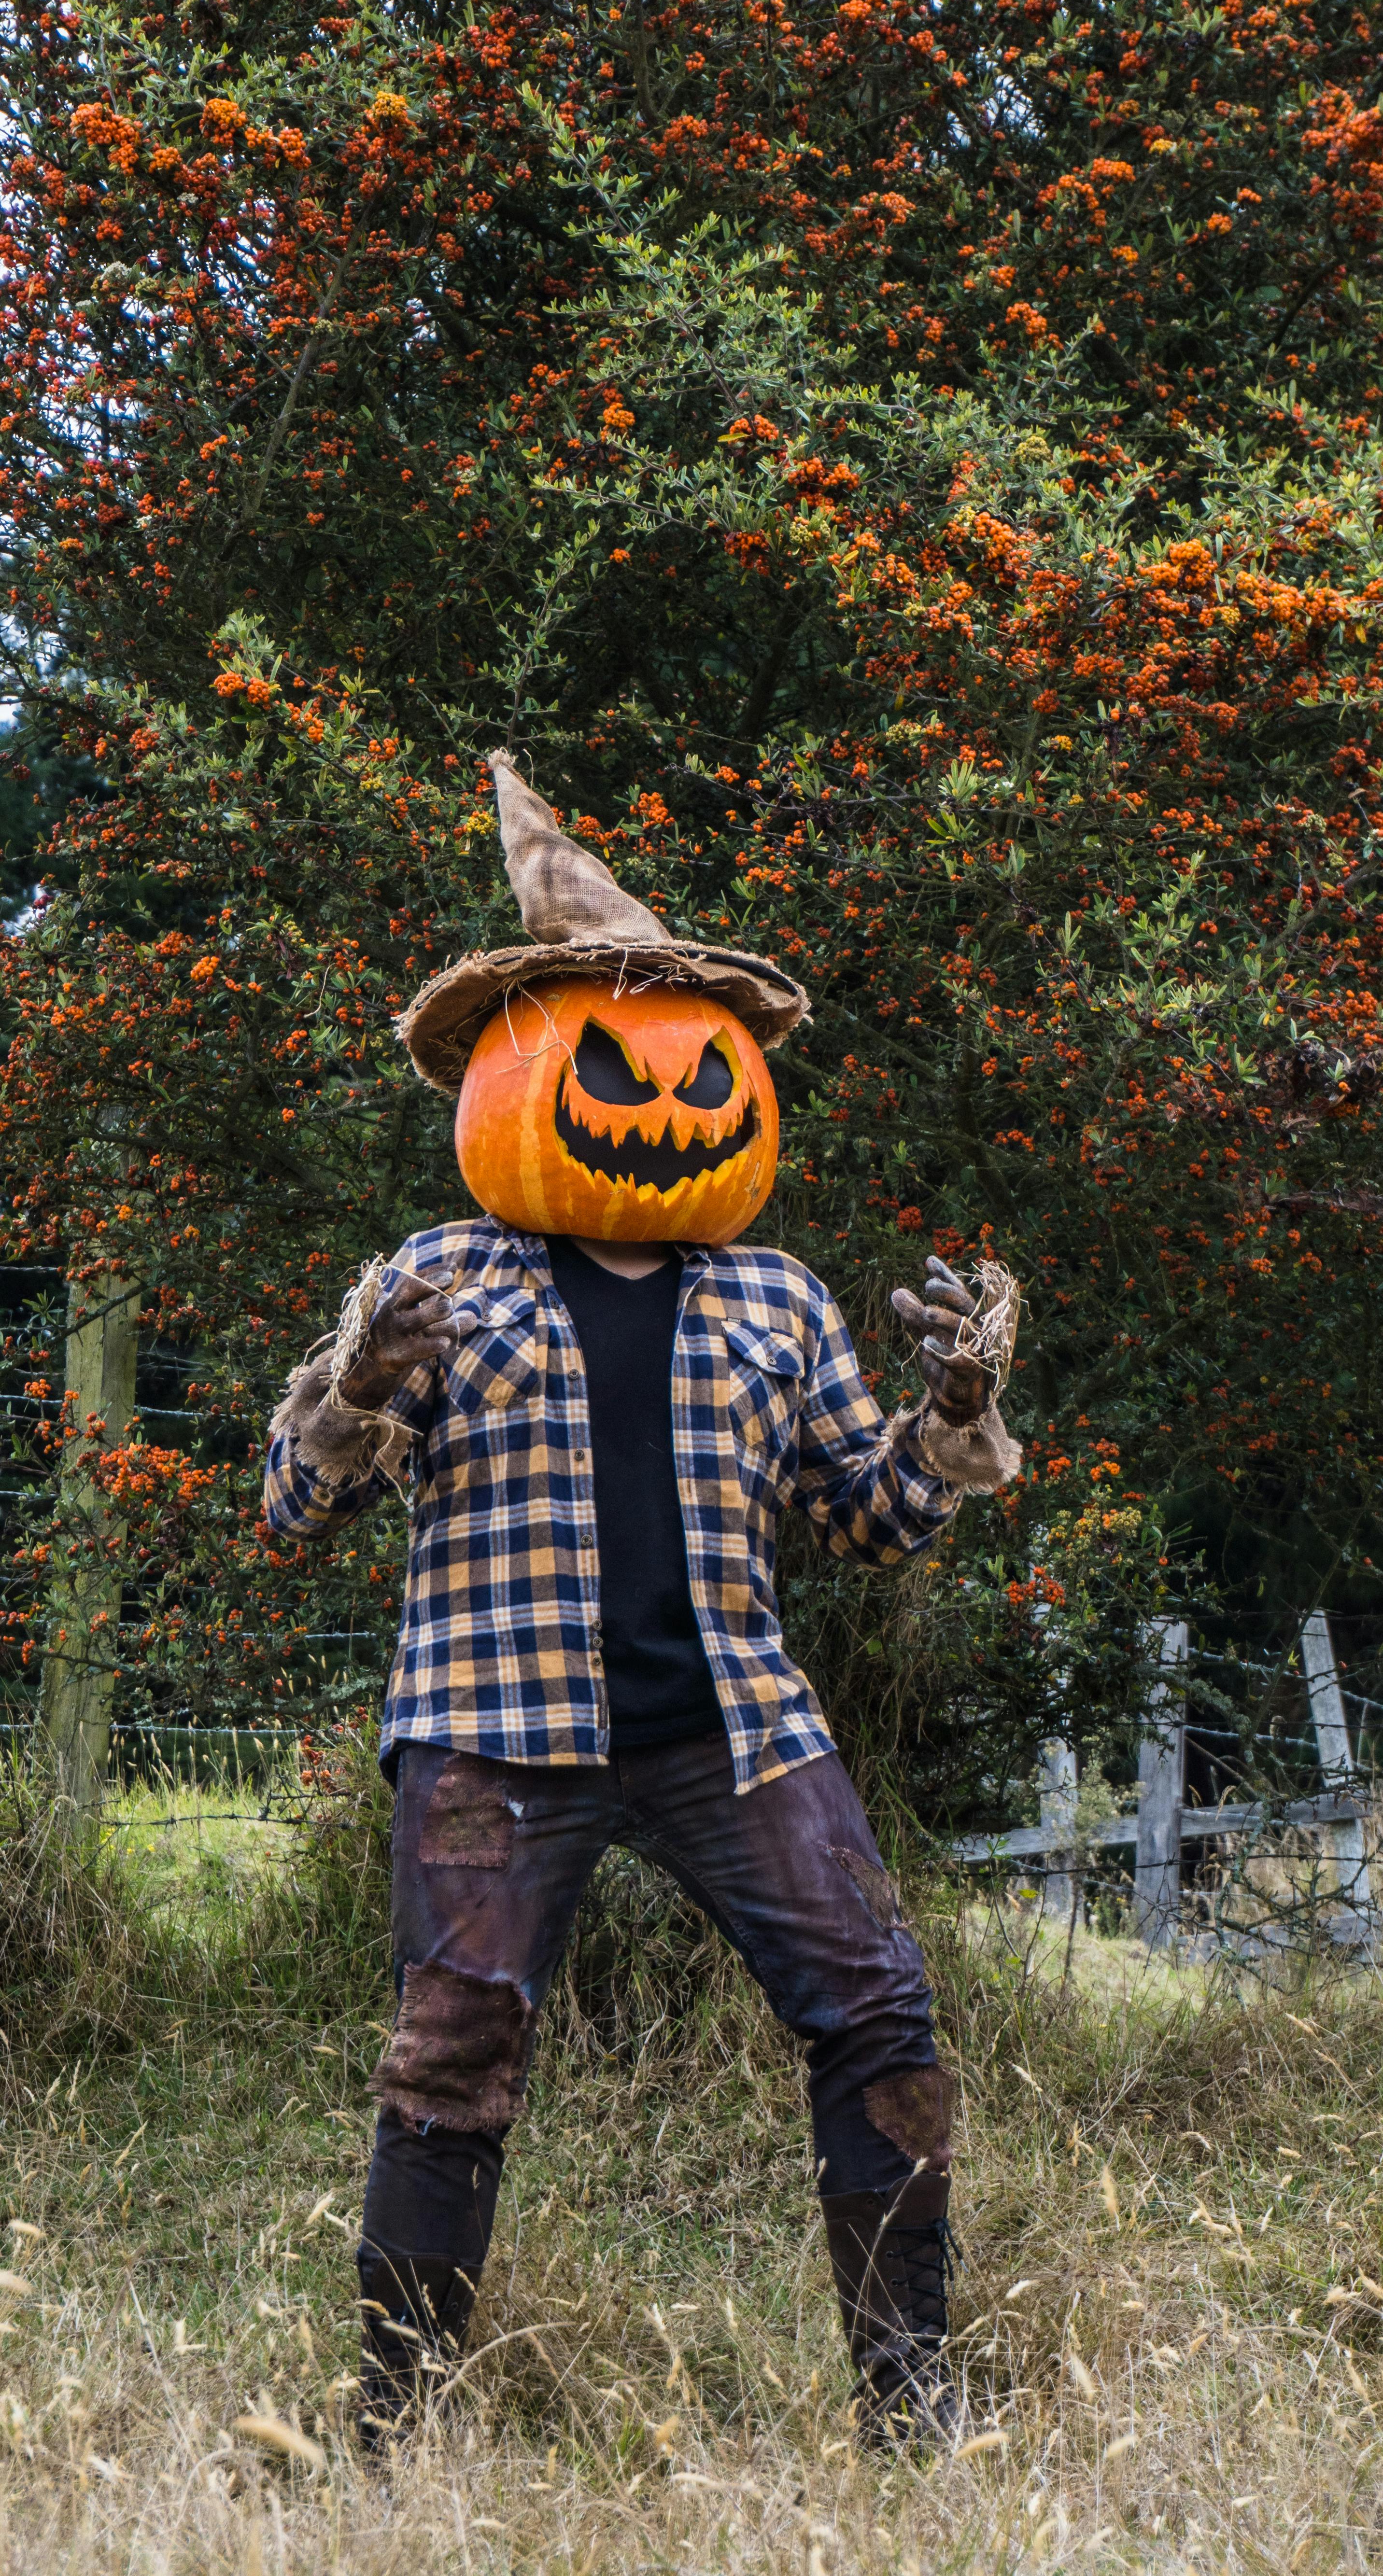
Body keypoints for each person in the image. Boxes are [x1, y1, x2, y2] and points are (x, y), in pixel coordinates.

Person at [264, 756, 1020, 2450]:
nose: (664, 1095)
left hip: (731, 1730)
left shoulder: (777, 1296)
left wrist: (954, 1424)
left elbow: (869, 1518)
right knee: (451, 2055)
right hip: (490, 1734)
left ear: (739, 1083)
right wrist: (355, 1393)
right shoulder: (435, 1277)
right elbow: (288, 1505)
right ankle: (393, 2430)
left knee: (882, 2013)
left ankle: (914, 2409)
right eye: (614, 1060)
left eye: (696, 1063)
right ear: (519, 1065)